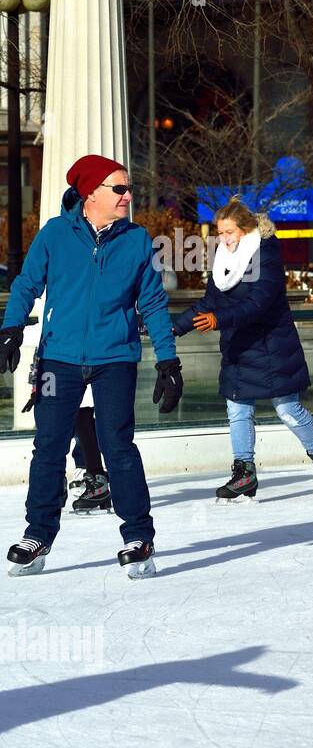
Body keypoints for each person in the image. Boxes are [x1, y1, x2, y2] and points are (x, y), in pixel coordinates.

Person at [1, 154, 182, 578]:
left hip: (115, 358)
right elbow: (27, 283)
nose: (128, 196)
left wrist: (168, 360)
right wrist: (11, 328)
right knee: (48, 447)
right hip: (57, 359)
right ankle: (37, 535)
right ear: (91, 194)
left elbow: (153, 303)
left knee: (118, 446)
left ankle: (139, 537)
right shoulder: (55, 235)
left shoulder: (136, 239)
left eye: (129, 188)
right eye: (119, 189)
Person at [174, 198, 313, 501]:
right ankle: (244, 472)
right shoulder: (224, 260)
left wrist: (218, 319)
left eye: (229, 233)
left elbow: (257, 304)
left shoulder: (267, 255)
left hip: (271, 346)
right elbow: (209, 302)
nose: (223, 239)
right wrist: (175, 326)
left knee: (287, 409)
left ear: (246, 229)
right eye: (219, 233)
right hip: (239, 347)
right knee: (237, 407)